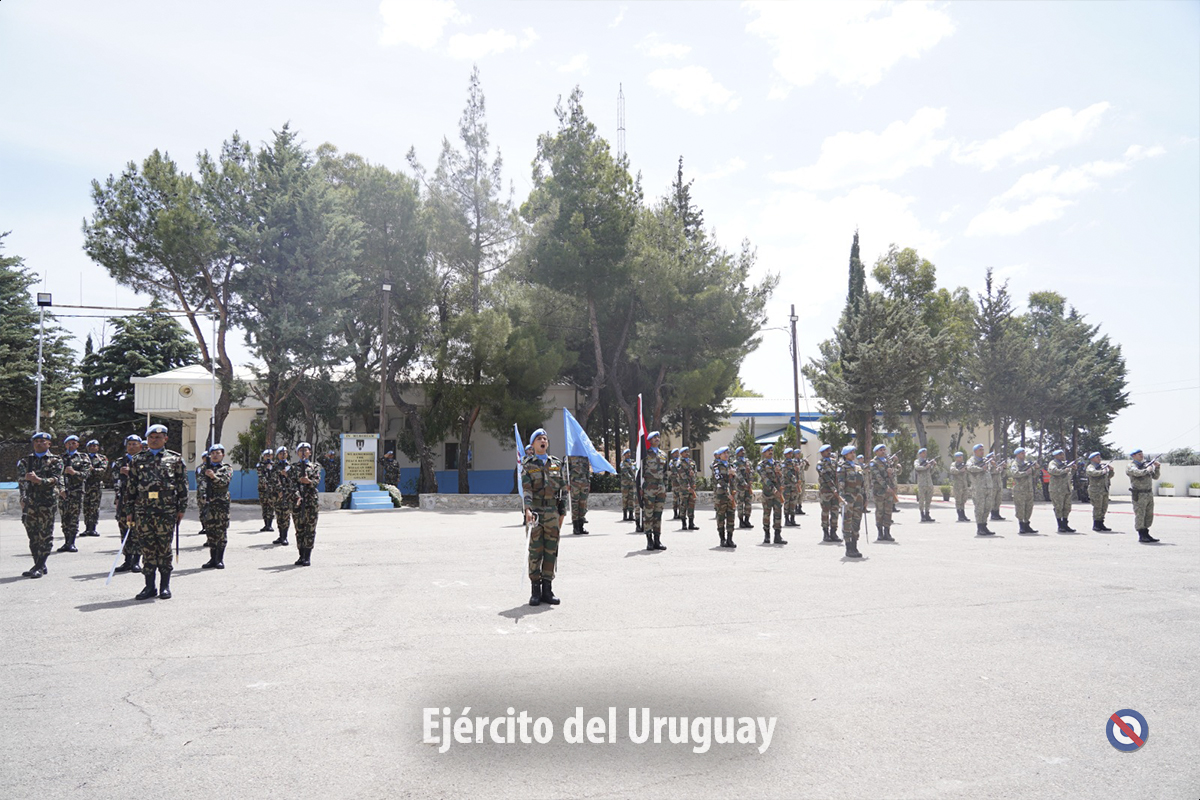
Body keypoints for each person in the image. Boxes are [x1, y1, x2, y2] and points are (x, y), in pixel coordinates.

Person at [127, 424, 187, 600]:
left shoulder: (175, 459)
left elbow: (182, 486)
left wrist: (181, 509)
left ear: (165, 439)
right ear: (147, 439)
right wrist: (129, 510)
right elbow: (131, 488)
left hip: (166, 510)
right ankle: (149, 587)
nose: (154, 440)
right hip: (143, 510)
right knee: (147, 548)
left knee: (164, 548)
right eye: (151, 437)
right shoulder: (137, 460)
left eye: (158, 437)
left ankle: (165, 586)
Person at [522, 428, 567, 604]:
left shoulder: (556, 463)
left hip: (552, 513)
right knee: (535, 552)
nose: (543, 441)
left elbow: (562, 489)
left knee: (551, 551)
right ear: (533, 444)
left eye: (545, 439)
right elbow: (526, 489)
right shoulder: (528, 465)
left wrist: (562, 512)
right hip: (535, 513)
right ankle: (535, 590)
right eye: (539, 438)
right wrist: (527, 509)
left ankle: (547, 590)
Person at [16, 432, 63, 578]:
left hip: (46, 502)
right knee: (32, 534)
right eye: (36, 441)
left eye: (42, 441)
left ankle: (38, 566)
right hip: (30, 502)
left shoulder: (56, 460)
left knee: (45, 534)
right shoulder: (25, 461)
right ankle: (39, 564)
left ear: (49, 444)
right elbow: (21, 481)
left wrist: (39, 480)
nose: (39, 443)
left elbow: (56, 479)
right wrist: (23, 498)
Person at [113, 435, 145, 573]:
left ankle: (137, 560)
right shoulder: (120, 462)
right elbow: (115, 480)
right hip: (123, 500)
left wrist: (131, 473)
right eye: (129, 444)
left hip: (139, 501)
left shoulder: (145, 461)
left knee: (138, 531)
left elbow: (147, 481)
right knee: (124, 529)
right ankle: (127, 559)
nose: (132, 446)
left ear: (140, 446)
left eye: (134, 444)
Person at [57, 434, 92, 553]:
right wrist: (61, 489)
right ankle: (66, 541)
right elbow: (57, 476)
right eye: (68, 443)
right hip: (63, 493)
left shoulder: (83, 457)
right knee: (64, 518)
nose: (70, 445)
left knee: (73, 517)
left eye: (73, 443)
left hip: (76, 492)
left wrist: (74, 473)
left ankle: (71, 542)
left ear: (77, 444)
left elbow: (86, 474)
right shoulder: (60, 458)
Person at [200, 444, 233, 569]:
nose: (215, 455)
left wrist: (213, 476)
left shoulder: (226, 468)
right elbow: (201, 483)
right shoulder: (204, 468)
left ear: (223, 455)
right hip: (209, 503)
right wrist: (204, 495)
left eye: (217, 453)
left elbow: (224, 482)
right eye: (212, 453)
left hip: (221, 503)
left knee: (221, 531)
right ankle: (212, 558)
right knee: (210, 531)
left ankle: (220, 559)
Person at [292, 442, 322, 566]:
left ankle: (307, 556)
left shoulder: (315, 467)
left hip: (311, 502)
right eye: (301, 450)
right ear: (298, 453)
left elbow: (316, 481)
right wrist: (297, 496)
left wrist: (308, 481)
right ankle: (301, 555)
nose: (303, 453)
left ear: (310, 452)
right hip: (298, 502)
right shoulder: (293, 468)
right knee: (299, 530)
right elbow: (291, 484)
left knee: (310, 530)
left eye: (306, 450)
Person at [1125, 449, 1161, 543]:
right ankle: (1141, 534)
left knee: (1148, 515)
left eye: (1142, 454)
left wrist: (1156, 468)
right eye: (1139, 454)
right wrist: (1146, 470)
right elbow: (1137, 473)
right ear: (1133, 456)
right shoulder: (1131, 466)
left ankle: (1146, 533)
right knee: (1140, 514)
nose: (1141, 455)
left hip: (1148, 493)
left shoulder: (1145, 464)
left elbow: (1155, 477)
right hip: (1139, 494)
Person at [641, 431, 668, 551]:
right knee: (648, 514)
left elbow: (665, 472)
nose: (657, 439)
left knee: (658, 514)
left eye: (658, 437)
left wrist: (665, 486)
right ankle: (649, 540)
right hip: (649, 487)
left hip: (660, 487)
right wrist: (640, 488)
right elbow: (640, 472)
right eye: (654, 438)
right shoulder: (645, 454)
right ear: (650, 441)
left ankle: (657, 540)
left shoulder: (663, 454)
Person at [836, 445, 864, 559]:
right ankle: (848, 547)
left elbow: (862, 483)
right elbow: (841, 484)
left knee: (856, 521)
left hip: (858, 497)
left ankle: (855, 545)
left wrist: (865, 497)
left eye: (854, 452)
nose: (853, 454)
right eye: (851, 453)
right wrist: (841, 498)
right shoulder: (843, 467)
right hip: (848, 497)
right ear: (846, 455)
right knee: (847, 521)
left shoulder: (857, 467)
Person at [756, 443, 787, 544]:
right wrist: (774, 490)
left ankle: (778, 535)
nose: (770, 452)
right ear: (764, 453)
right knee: (767, 514)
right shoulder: (761, 465)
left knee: (778, 514)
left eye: (771, 450)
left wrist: (781, 487)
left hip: (778, 493)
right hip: (768, 494)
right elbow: (765, 479)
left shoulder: (777, 464)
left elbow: (782, 477)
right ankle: (767, 535)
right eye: (768, 450)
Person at [869, 444, 897, 542]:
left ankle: (887, 532)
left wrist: (891, 472)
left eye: (884, 450)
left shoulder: (888, 462)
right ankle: (880, 533)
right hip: (879, 491)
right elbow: (877, 476)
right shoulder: (873, 462)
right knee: (880, 511)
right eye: (881, 450)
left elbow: (894, 473)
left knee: (888, 511)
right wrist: (886, 486)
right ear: (876, 452)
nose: (883, 452)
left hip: (889, 490)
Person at [814, 444, 842, 543]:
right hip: (826, 491)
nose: (829, 452)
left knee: (835, 512)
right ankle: (826, 533)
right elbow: (825, 477)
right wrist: (833, 488)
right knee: (825, 512)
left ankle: (833, 532)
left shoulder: (835, 462)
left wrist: (839, 489)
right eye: (826, 451)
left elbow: (839, 475)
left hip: (835, 492)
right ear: (822, 453)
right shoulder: (820, 464)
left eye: (829, 450)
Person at [967, 444, 996, 535]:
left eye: (983, 450)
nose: (982, 451)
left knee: (987, 507)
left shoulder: (985, 460)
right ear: (975, 451)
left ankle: (984, 525)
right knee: (980, 508)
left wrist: (994, 466)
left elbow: (991, 471)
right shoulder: (971, 460)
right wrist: (980, 468)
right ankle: (979, 527)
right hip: (978, 488)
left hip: (988, 487)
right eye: (980, 450)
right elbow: (970, 467)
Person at [711, 446, 736, 548]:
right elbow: (720, 480)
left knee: (731, 517)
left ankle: (730, 539)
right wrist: (728, 492)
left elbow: (735, 480)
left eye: (727, 453)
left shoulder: (731, 466)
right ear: (720, 455)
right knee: (721, 518)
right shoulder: (716, 467)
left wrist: (733, 475)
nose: (726, 455)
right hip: (721, 496)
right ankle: (722, 539)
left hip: (731, 496)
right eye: (724, 453)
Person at [81, 439, 108, 537]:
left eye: (94, 446)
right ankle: (87, 527)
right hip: (85, 485)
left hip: (96, 485)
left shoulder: (102, 458)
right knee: (86, 507)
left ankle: (93, 527)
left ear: (98, 447)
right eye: (91, 446)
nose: (93, 448)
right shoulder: (83, 457)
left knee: (94, 507)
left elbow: (103, 470)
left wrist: (93, 470)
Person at [1009, 448, 1039, 534]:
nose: (1024, 455)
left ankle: (1027, 524)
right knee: (1020, 508)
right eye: (1022, 453)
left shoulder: (1027, 464)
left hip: (1029, 489)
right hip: (1019, 490)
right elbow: (1015, 473)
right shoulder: (1015, 464)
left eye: (1024, 453)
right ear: (1017, 454)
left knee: (1029, 508)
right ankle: (1021, 525)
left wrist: (1036, 469)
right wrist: (1025, 473)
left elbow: (1034, 475)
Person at [1046, 449, 1076, 533]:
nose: (1062, 456)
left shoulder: (1064, 464)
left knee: (1067, 508)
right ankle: (1060, 525)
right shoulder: (1053, 463)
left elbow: (1069, 475)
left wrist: (1072, 469)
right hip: (1057, 490)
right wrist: (1064, 470)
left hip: (1066, 489)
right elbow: (1054, 471)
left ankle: (1065, 524)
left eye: (1063, 455)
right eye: (1060, 455)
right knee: (1058, 507)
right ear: (1056, 456)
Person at [1085, 452, 1114, 532]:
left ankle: (1101, 523)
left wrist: (1111, 471)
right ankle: (1096, 524)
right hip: (1096, 491)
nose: (1099, 458)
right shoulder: (1091, 467)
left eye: (1099, 457)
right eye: (1097, 457)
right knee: (1097, 507)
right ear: (1092, 459)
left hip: (1104, 489)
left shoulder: (1101, 467)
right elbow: (1093, 473)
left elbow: (1108, 477)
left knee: (1103, 508)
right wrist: (1102, 471)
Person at [271, 446, 294, 546]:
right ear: (278, 455)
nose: (283, 455)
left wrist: (287, 476)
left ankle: (285, 537)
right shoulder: (274, 466)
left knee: (285, 516)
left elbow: (294, 480)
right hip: (277, 495)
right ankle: (280, 536)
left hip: (287, 494)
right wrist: (278, 490)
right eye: (281, 453)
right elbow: (272, 479)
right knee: (279, 515)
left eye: (284, 453)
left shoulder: (291, 467)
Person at [567, 454, 592, 535]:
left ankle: (581, 526)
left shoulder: (585, 457)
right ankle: (575, 527)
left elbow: (587, 470)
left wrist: (588, 482)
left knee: (583, 504)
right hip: (574, 483)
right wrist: (567, 483)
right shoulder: (570, 457)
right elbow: (565, 470)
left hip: (584, 483)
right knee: (575, 504)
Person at [677, 447, 697, 530]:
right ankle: (684, 524)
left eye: (688, 452)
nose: (687, 453)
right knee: (683, 505)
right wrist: (687, 485)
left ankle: (691, 523)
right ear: (681, 453)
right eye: (685, 452)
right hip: (684, 487)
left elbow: (695, 472)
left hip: (692, 486)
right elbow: (682, 475)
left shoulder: (691, 461)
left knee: (691, 505)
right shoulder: (679, 462)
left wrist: (693, 481)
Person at [913, 447, 936, 523]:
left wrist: (933, 466)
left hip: (929, 483)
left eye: (925, 452)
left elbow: (931, 472)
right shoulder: (917, 461)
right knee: (921, 500)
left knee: (928, 500)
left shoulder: (927, 461)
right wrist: (925, 467)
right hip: (922, 484)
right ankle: (922, 515)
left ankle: (927, 514)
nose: (925, 454)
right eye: (923, 452)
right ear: (920, 454)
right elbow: (917, 467)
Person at [734, 446, 754, 529]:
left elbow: (752, 471)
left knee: (748, 504)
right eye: (741, 451)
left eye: (743, 450)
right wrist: (744, 483)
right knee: (740, 504)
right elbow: (737, 474)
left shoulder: (747, 462)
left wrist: (750, 479)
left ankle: (747, 520)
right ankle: (741, 521)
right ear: (737, 453)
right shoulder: (736, 463)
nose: (743, 452)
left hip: (748, 486)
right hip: (740, 487)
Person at [257, 449, 276, 533]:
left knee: (271, 506)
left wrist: (271, 469)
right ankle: (266, 524)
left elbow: (275, 475)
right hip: (263, 488)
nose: (268, 457)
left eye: (270, 455)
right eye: (266, 455)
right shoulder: (260, 465)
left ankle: (270, 524)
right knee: (264, 506)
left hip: (272, 489)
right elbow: (260, 475)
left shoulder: (275, 465)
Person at [948, 451, 970, 523]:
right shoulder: (954, 464)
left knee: (963, 499)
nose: (961, 458)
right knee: (958, 500)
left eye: (962, 456)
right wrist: (960, 470)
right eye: (960, 457)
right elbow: (952, 470)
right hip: (957, 485)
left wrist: (966, 469)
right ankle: (960, 515)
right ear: (957, 458)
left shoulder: (964, 464)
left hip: (964, 484)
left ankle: (963, 514)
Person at [195, 448, 210, 542]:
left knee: (208, 512)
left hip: (209, 493)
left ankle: (208, 529)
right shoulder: (200, 468)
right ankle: (204, 527)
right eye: (205, 457)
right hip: (201, 492)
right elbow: (199, 480)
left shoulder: (212, 467)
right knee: (202, 511)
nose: (206, 458)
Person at [782, 448, 800, 527]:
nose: (790, 455)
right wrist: (795, 480)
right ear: (785, 455)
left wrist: (797, 470)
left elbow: (797, 473)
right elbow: (787, 473)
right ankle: (787, 519)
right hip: (787, 486)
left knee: (793, 502)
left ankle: (792, 519)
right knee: (787, 502)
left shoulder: (794, 462)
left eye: (791, 453)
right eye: (788, 453)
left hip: (794, 486)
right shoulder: (784, 463)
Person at [619, 448, 636, 522]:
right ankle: (625, 515)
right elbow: (625, 472)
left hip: (632, 484)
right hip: (625, 484)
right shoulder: (623, 463)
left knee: (631, 499)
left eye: (629, 453)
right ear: (624, 455)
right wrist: (631, 478)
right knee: (625, 499)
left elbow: (635, 469)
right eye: (627, 454)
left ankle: (631, 515)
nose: (628, 455)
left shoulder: (632, 462)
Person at [668, 448, 681, 520]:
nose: (677, 454)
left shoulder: (680, 461)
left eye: (677, 452)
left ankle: (681, 513)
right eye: (675, 453)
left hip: (681, 483)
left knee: (681, 498)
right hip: (675, 483)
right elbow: (673, 470)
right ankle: (675, 513)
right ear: (673, 454)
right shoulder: (671, 462)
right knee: (675, 498)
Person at [796, 450, 810, 517]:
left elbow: (806, 469)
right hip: (797, 481)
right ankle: (795, 508)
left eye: (800, 453)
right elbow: (797, 469)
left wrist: (807, 463)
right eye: (798, 453)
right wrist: (801, 464)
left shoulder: (802, 461)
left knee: (801, 494)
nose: (799, 455)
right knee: (796, 494)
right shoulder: (793, 462)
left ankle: (800, 507)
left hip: (802, 480)